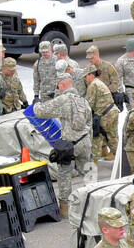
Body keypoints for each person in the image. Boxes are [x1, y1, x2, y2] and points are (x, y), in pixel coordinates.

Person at [26, 64, 95, 216]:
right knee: (88, 171)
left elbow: (40, 112)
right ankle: (94, 201)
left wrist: (37, 102)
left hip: (69, 145)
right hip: (85, 141)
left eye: (58, 86)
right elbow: (90, 123)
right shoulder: (83, 101)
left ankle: (65, 208)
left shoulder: (64, 100)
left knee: (65, 175)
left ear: (62, 85)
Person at [84, 63, 120, 165]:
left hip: (105, 115)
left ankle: (93, 164)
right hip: (112, 111)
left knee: (97, 136)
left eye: (86, 76)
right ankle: (121, 160)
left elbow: (88, 105)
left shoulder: (93, 85)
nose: (85, 79)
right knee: (112, 137)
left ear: (91, 74)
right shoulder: (98, 82)